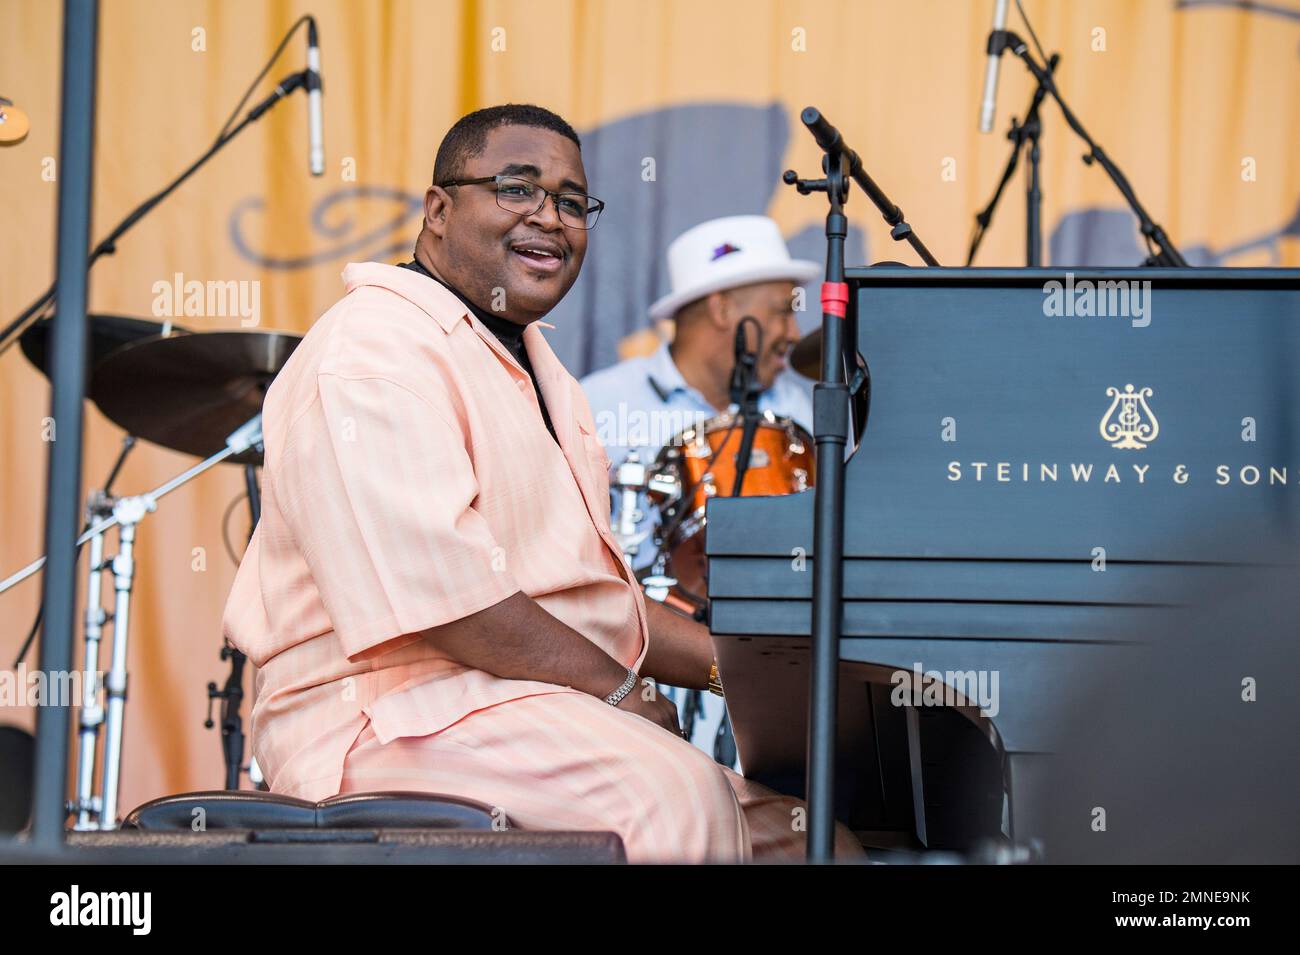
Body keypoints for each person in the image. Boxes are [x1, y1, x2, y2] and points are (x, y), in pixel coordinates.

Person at [222, 104, 861, 862]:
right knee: (672, 796)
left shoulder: (533, 364)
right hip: (379, 717)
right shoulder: (373, 349)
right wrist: (621, 693)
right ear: (437, 210)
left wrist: (763, 669)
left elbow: (595, 606)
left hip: (507, 702)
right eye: (518, 189)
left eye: (569, 201)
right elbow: (453, 605)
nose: (549, 218)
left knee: (809, 838)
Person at [580, 215, 819, 759]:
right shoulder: (599, 403)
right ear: (723, 309)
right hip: (635, 668)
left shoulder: (806, 412)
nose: (791, 332)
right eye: (781, 311)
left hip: (778, 662)